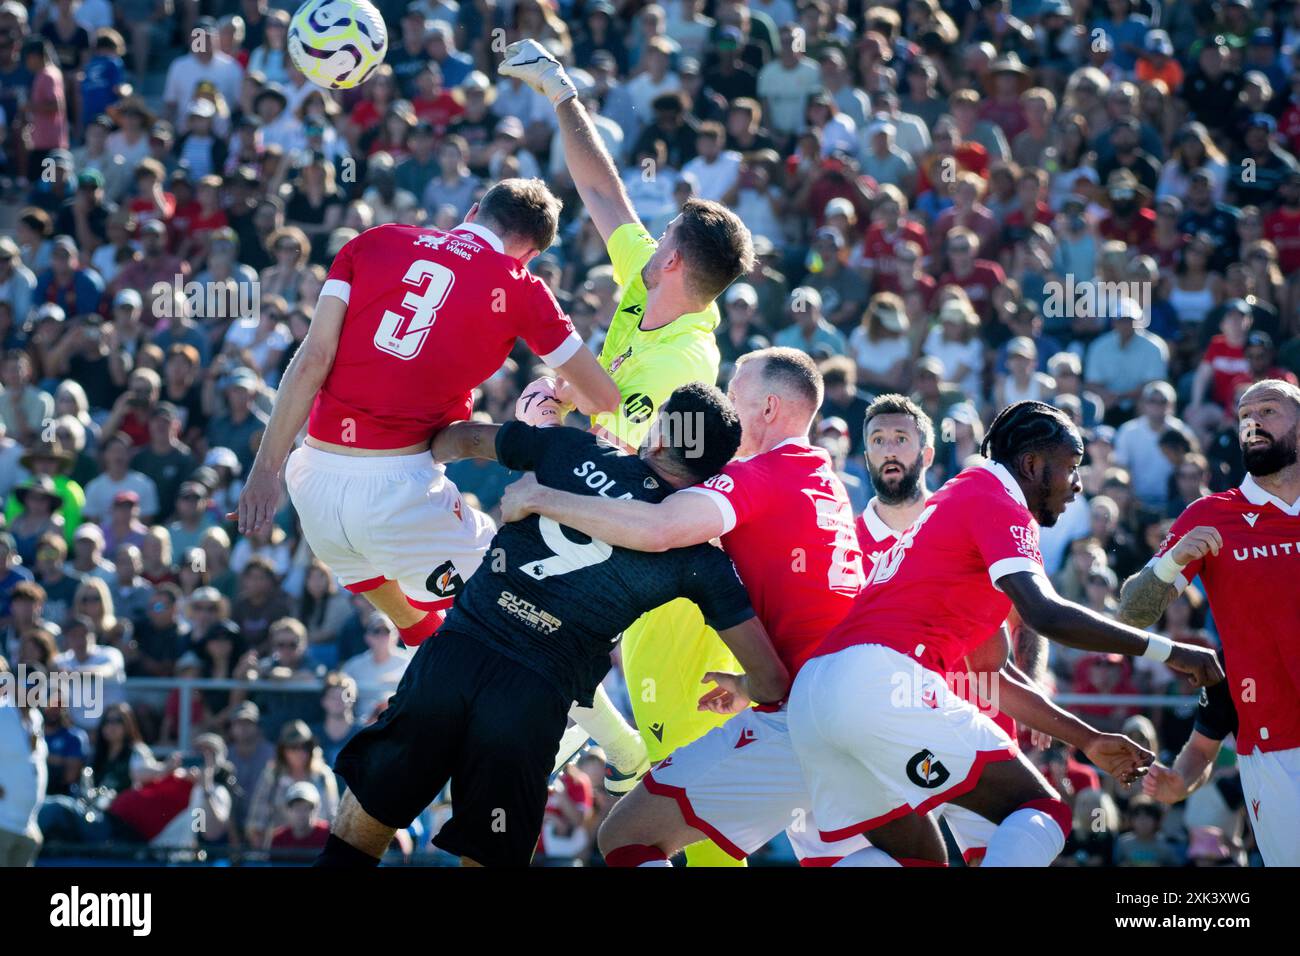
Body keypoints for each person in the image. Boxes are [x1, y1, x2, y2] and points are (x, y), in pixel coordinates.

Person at [317, 383, 788, 868]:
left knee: (369, 812)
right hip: (530, 702)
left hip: (455, 657)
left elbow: (459, 441)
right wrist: (742, 683)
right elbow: (772, 680)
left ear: (665, 436)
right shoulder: (699, 561)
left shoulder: (571, 447)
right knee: (491, 849)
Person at [499, 38, 760, 868]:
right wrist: (562, 93)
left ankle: (606, 747)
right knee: (674, 787)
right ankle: (609, 745)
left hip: (674, 577)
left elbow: (635, 466)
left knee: (699, 799)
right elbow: (604, 190)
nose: (644, 239)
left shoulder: (684, 362)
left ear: (674, 259)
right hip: (636, 555)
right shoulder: (653, 284)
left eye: (662, 235)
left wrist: (557, 402)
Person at [783, 400, 1222, 866]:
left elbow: (993, 673)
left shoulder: (957, 502)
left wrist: (1089, 739)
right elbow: (1045, 614)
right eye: (1071, 467)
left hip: (817, 699)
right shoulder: (996, 497)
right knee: (1043, 811)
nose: (1077, 485)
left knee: (924, 860)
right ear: (1031, 465)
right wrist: (1168, 651)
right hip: (888, 686)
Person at [236, 176, 619, 651]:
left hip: (310, 483)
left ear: (474, 210)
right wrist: (559, 394)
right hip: (398, 492)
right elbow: (604, 399)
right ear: (530, 254)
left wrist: (265, 470)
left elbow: (312, 359)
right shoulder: (520, 285)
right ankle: (602, 729)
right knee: (539, 619)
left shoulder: (373, 241)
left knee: (424, 631)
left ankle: (426, 661)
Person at [1120, 379, 1300, 866]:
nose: (1253, 422)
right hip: (1276, 750)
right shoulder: (1211, 516)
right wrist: (1169, 561)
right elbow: (1133, 612)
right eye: (1244, 414)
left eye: (1269, 410)